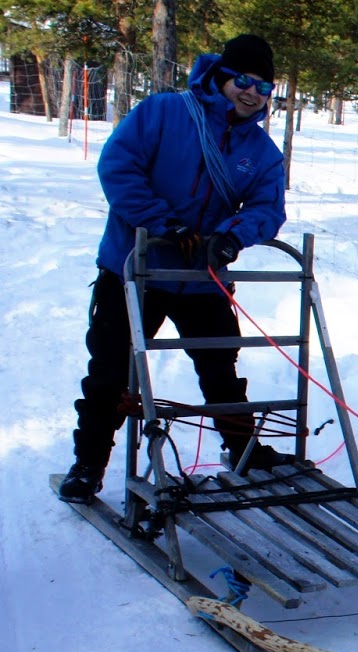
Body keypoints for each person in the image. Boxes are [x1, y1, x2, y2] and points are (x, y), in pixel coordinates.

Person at [58, 33, 291, 503]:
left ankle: (242, 449)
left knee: (220, 367)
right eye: (243, 81)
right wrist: (161, 224)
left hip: (201, 277)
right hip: (135, 269)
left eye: (263, 87)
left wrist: (231, 236)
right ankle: (88, 465)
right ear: (222, 76)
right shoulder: (163, 113)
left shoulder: (262, 151)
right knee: (110, 370)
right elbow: (119, 168)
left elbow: (268, 207)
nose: (251, 93)